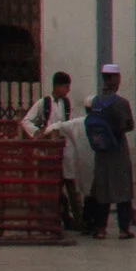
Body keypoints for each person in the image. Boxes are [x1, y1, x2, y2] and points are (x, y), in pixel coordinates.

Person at [23, 71, 86, 230]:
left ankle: (78, 219)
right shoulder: (43, 104)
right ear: (57, 86)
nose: (68, 90)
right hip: (49, 151)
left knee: (71, 185)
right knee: (53, 186)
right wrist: (38, 132)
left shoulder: (67, 104)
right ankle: (60, 217)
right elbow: (26, 121)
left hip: (67, 149)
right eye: (66, 87)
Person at [83, 64, 136, 239]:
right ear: (114, 79)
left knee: (102, 189)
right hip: (117, 150)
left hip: (101, 150)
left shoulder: (95, 101)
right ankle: (123, 229)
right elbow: (128, 125)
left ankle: (100, 229)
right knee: (123, 189)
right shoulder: (121, 103)